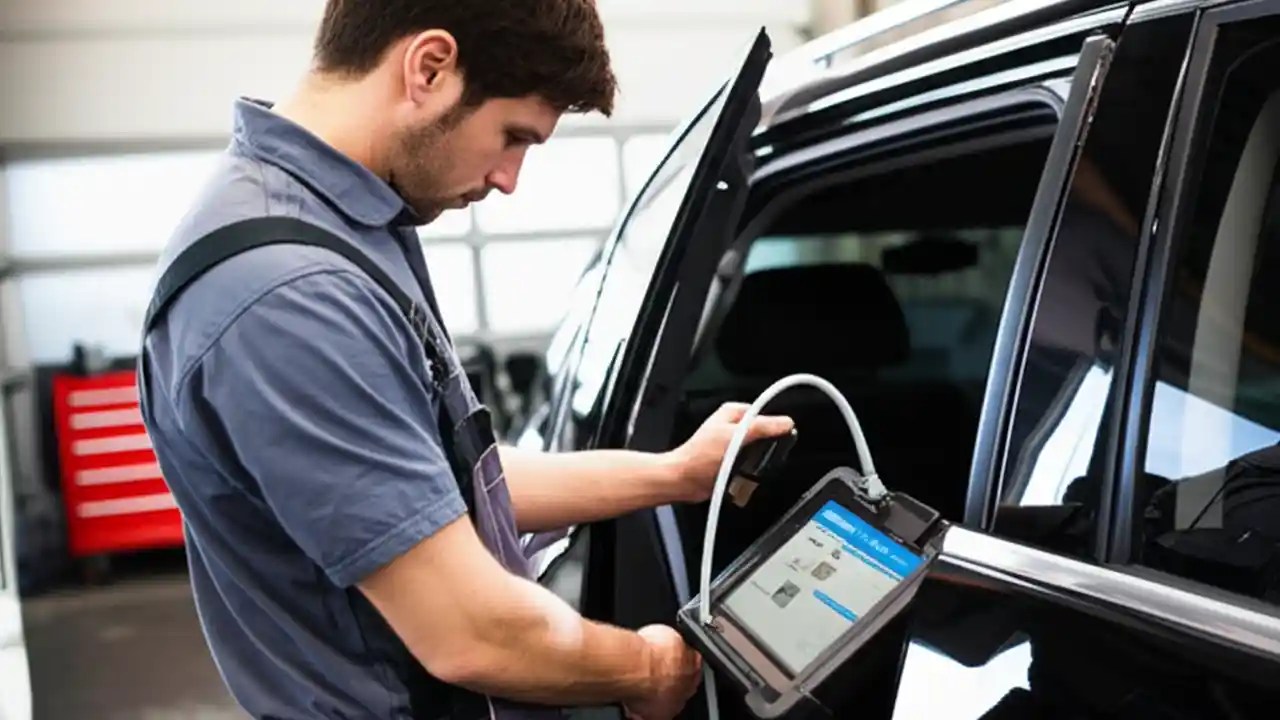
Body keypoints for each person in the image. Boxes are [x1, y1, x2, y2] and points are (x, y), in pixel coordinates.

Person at [136, 1, 794, 719]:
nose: (509, 179)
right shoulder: (291, 295)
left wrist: (676, 474)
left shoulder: (345, 223)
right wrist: (649, 668)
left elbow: (440, 480)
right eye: (514, 137)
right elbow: (471, 633)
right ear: (429, 68)